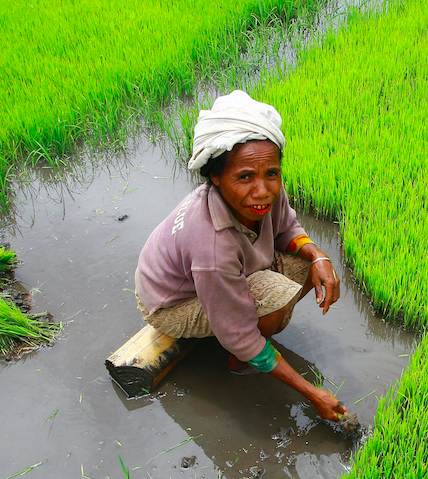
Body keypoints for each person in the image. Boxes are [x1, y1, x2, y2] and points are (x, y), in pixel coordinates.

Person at [135, 90, 347, 422]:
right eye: (245, 177)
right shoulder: (211, 245)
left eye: (271, 174)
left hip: (218, 277)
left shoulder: (264, 191)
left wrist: (320, 257)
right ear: (215, 177)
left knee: (307, 265)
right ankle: (238, 362)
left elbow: (286, 228)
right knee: (272, 298)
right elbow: (239, 332)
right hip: (172, 305)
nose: (262, 190)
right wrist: (312, 392)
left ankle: (250, 331)